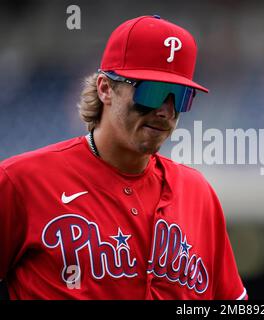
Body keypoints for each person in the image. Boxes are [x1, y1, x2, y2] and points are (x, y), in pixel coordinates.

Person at [0, 15, 247, 300]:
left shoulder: (198, 193)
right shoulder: (22, 182)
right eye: (152, 92)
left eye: (179, 97)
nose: (165, 111)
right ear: (105, 88)